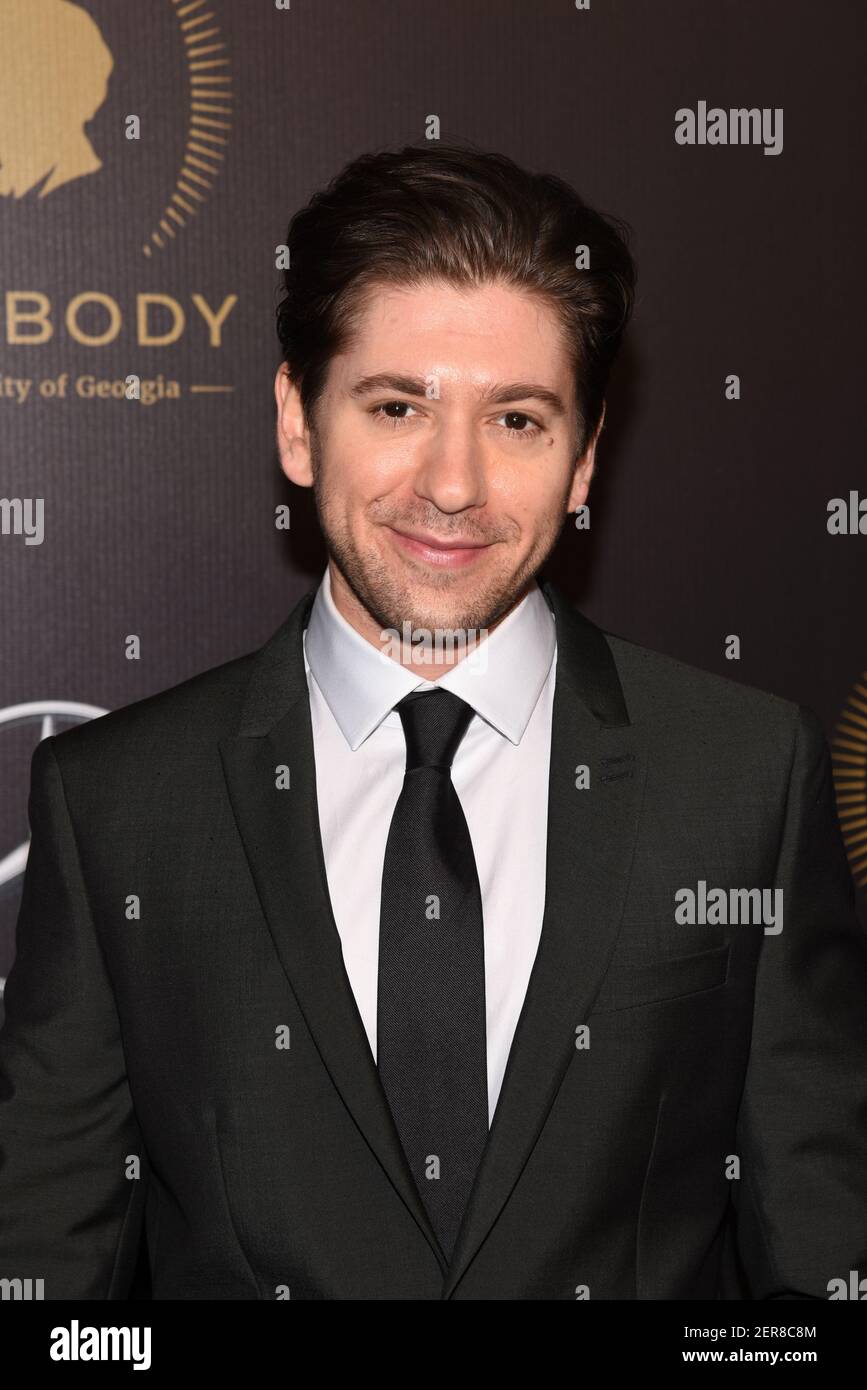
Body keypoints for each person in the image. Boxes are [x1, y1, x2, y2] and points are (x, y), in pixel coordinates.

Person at [1, 143, 866, 1300]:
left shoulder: (748, 776)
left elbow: (820, 1255)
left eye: (516, 419)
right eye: (398, 404)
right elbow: (49, 1277)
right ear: (299, 424)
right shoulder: (116, 801)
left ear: (584, 456)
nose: (453, 482)